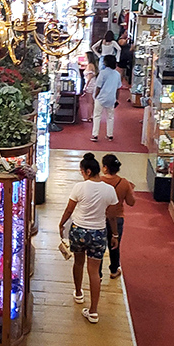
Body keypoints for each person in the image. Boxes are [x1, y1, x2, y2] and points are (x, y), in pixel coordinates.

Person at [58, 152, 119, 323]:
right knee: (94, 271)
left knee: (78, 263)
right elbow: (112, 216)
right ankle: (93, 311)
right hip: (98, 232)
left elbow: (69, 210)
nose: (81, 174)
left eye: (82, 171)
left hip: (79, 231)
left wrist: (61, 223)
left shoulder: (80, 187)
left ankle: (78, 293)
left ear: (88, 171)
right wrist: (114, 234)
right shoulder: (109, 190)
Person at [100, 153, 136, 279]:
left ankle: (97, 273)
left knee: (100, 245)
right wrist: (131, 190)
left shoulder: (99, 181)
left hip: (100, 217)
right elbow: (131, 203)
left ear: (105, 168)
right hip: (118, 217)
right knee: (114, 244)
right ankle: (114, 270)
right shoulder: (124, 183)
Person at [91, 54, 121, 142]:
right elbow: (118, 88)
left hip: (101, 97)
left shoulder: (103, 73)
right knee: (110, 116)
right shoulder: (117, 74)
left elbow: (98, 86)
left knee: (97, 116)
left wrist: (95, 95)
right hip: (111, 97)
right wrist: (117, 99)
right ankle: (110, 135)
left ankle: (95, 134)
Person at [79, 50, 98, 122]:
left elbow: (89, 77)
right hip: (93, 84)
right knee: (92, 102)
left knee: (89, 102)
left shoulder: (90, 66)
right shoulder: (93, 65)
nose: (84, 58)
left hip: (90, 85)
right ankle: (91, 116)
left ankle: (89, 117)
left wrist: (85, 86)